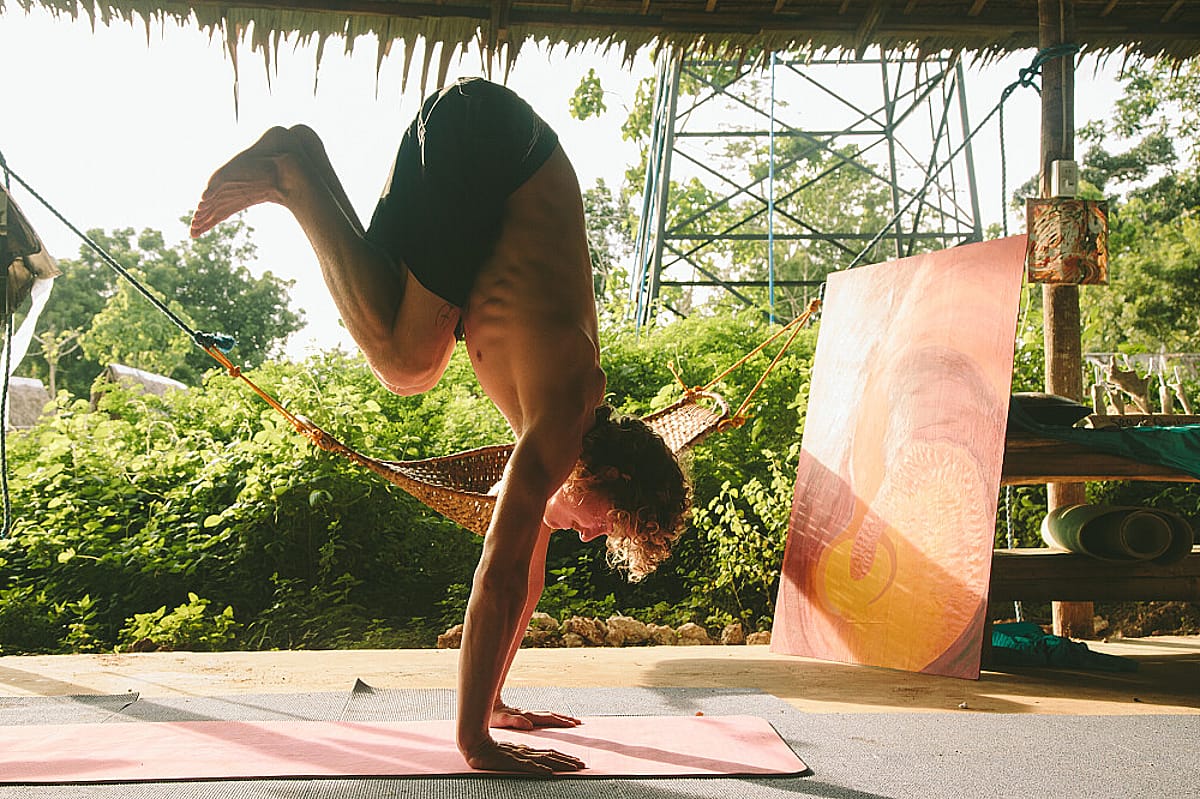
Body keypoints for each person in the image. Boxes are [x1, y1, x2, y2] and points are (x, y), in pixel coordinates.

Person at [190, 77, 690, 774]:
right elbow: (500, 574)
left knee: (404, 344)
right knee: (406, 360)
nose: (589, 532)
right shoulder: (564, 415)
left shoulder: (560, 430)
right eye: (608, 521)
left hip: (487, 153)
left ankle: (300, 165)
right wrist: (476, 743)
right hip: (491, 147)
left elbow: (528, 580)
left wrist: (496, 704)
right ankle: (294, 170)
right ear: (615, 474)